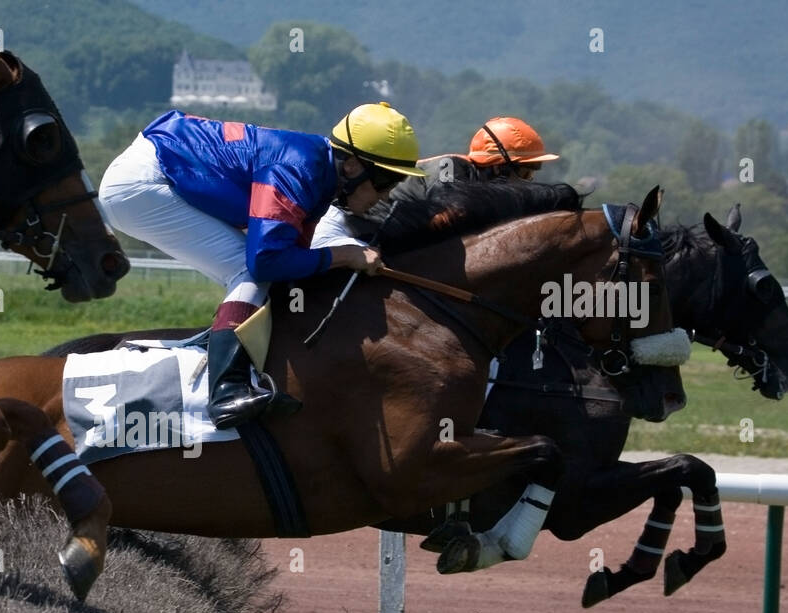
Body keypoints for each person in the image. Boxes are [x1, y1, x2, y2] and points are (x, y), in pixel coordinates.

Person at [99, 103, 424, 429]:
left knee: (259, 274)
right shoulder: (300, 168)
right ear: (352, 166)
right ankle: (226, 393)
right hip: (141, 183)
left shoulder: (317, 174)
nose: (386, 195)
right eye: (385, 181)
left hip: (153, 168)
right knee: (248, 271)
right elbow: (266, 261)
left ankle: (232, 359)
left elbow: (292, 263)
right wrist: (345, 255)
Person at [314, 115, 562, 248]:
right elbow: (448, 222)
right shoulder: (452, 168)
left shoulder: (475, 181)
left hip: (377, 234)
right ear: (498, 166)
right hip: (346, 229)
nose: (528, 184)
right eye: (526, 174)